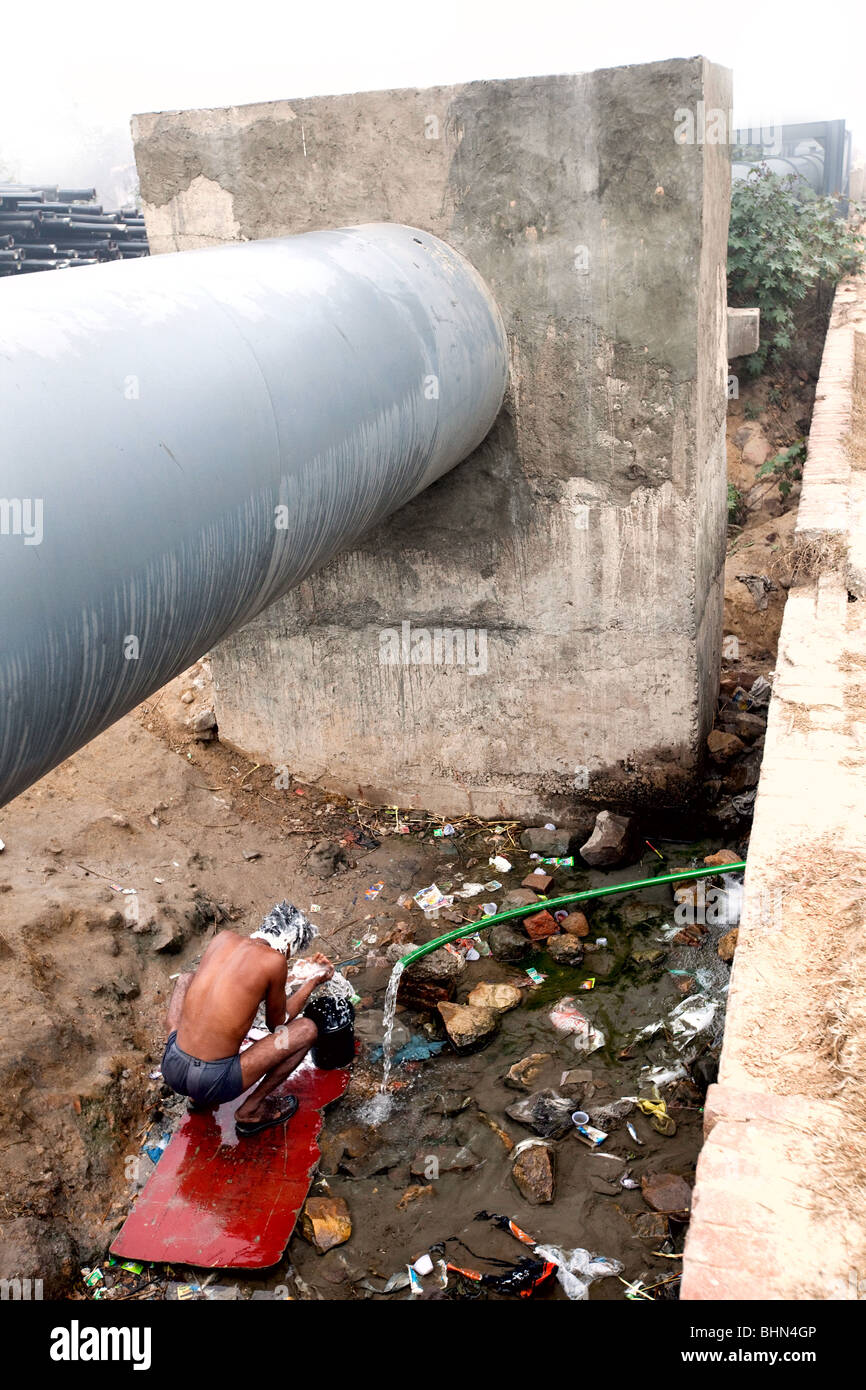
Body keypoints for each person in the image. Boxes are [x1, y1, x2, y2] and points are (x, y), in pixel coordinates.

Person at [161, 904, 334, 1137]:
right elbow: (278, 1024)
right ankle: (251, 1109)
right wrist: (312, 981)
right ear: (290, 945)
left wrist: (288, 977)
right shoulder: (275, 961)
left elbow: (231, 990)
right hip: (213, 1080)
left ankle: (196, 1097)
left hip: (171, 1065)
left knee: (185, 979)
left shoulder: (223, 939)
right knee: (306, 1030)